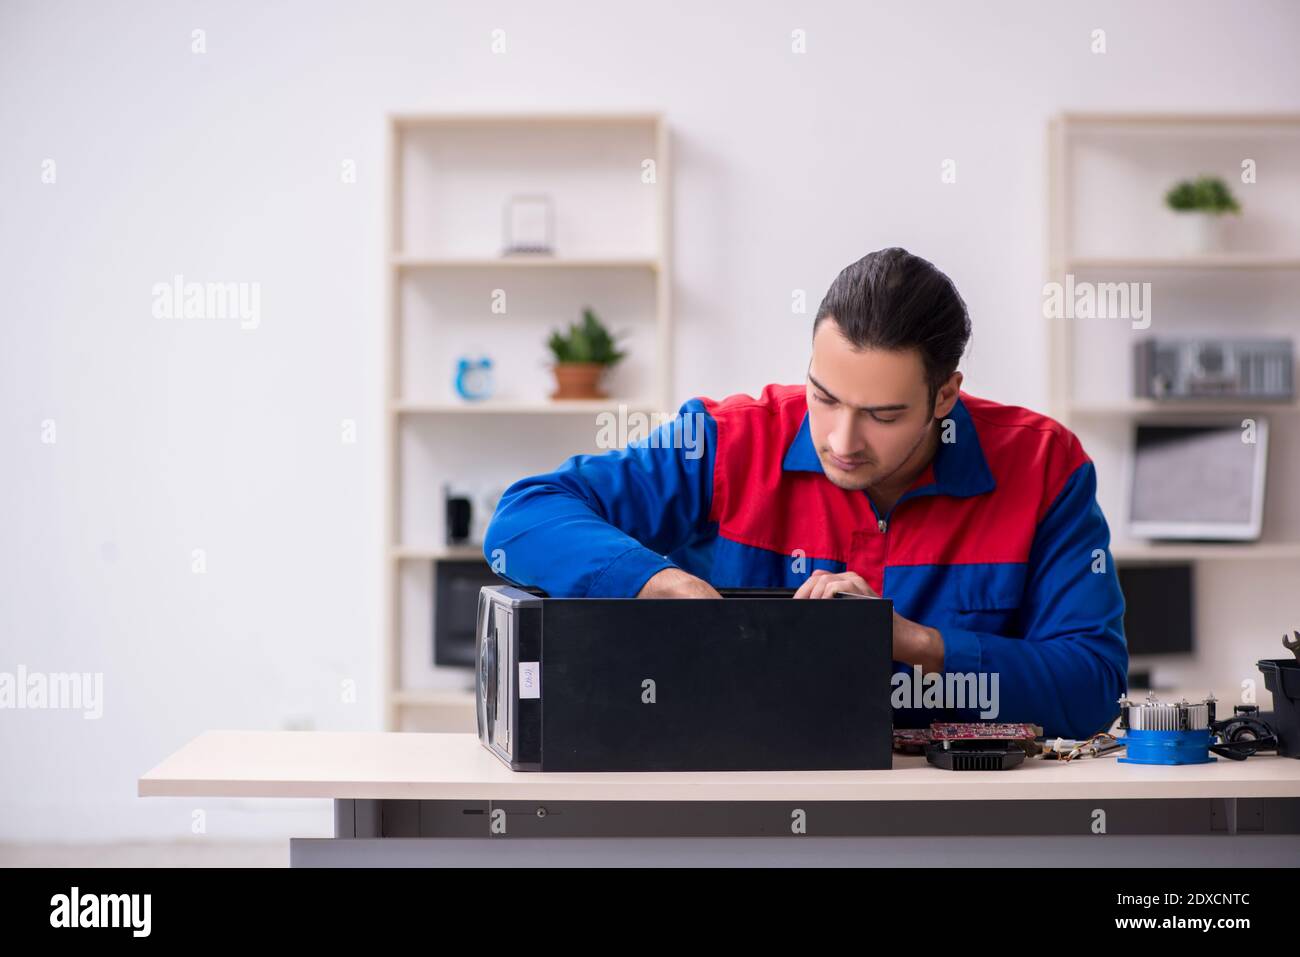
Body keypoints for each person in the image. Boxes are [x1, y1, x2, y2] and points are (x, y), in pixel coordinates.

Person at [483, 247, 1128, 739]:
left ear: (944, 396)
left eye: (881, 414)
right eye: (824, 397)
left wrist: (913, 642)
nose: (842, 440)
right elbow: (521, 518)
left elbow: (1093, 686)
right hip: (743, 811)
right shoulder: (724, 442)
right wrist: (658, 584)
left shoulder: (1046, 466)